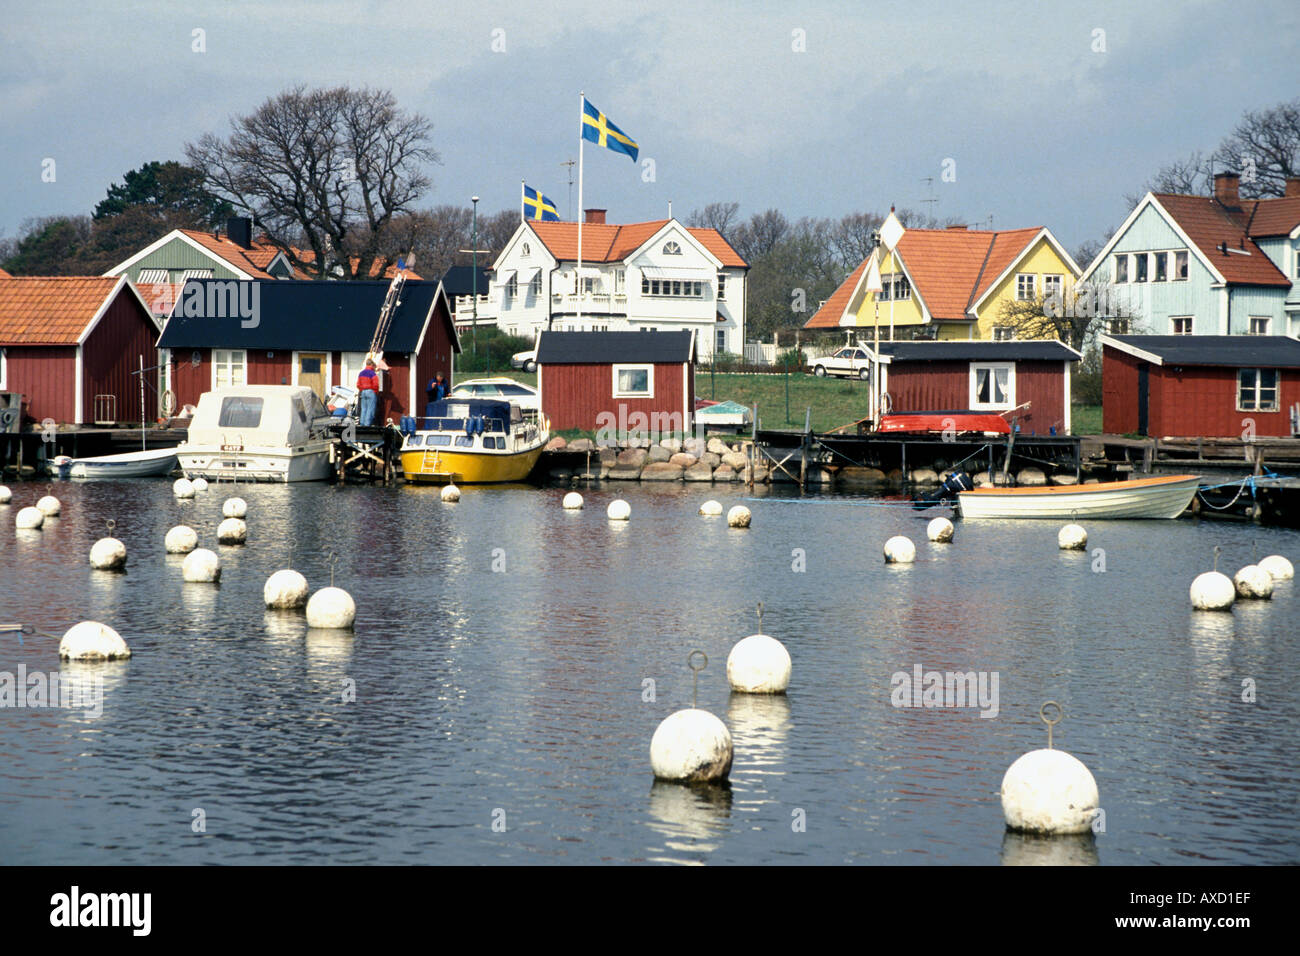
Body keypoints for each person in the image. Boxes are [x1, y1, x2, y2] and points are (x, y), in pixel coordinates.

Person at [357, 358, 380, 426]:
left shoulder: (361, 373)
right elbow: (376, 385)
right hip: (371, 391)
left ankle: (362, 424)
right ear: (372, 365)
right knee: (370, 409)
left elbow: (358, 384)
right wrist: (375, 392)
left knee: (364, 409)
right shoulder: (373, 373)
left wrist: (362, 389)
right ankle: (367, 425)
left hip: (363, 392)